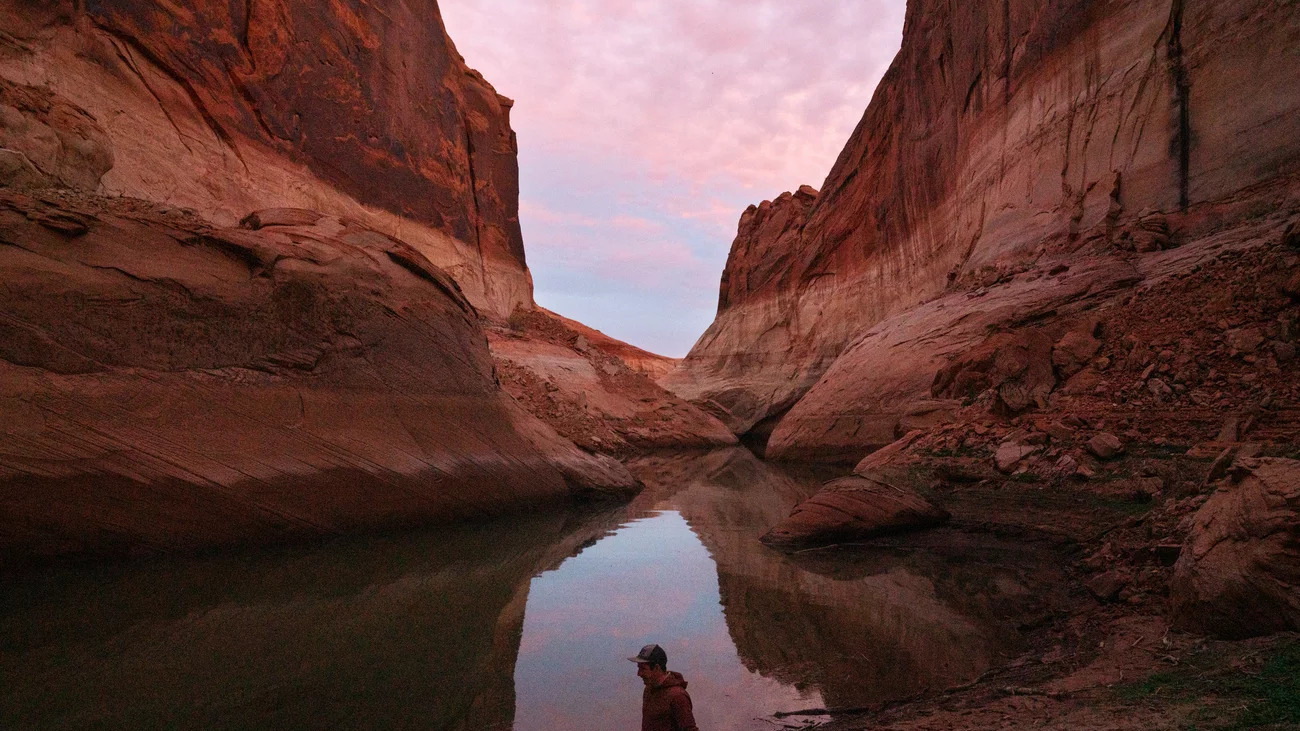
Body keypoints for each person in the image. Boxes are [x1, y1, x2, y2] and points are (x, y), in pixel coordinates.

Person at [628, 643, 699, 731]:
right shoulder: (648, 689)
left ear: (657, 668)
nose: (638, 674)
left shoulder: (678, 696)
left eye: (643, 669)